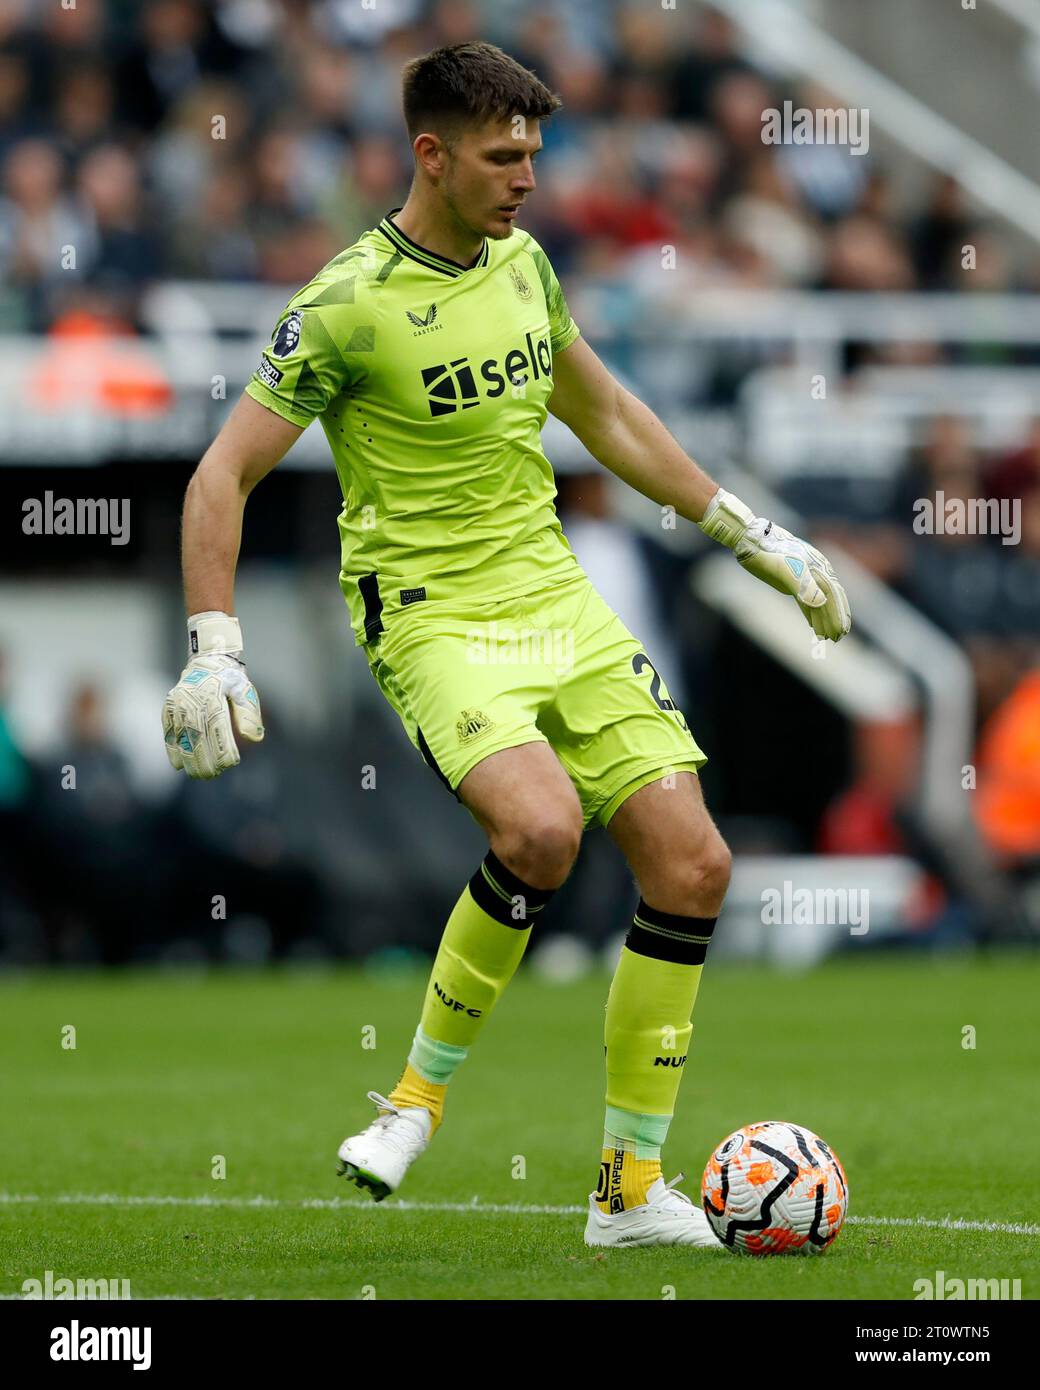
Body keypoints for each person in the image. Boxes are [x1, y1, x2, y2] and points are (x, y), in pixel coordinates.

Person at [161, 41, 851, 1250]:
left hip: (556, 595)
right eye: (501, 154)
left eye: (533, 150)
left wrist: (751, 533)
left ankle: (627, 1196)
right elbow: (224, 470)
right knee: (538, 829)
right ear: (429, 155)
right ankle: (412, 1108)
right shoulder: (344, 304)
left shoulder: (525, 266)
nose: (527, 174)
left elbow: (610, 415)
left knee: (692, 865)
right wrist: (214, 641)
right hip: (430, 610)